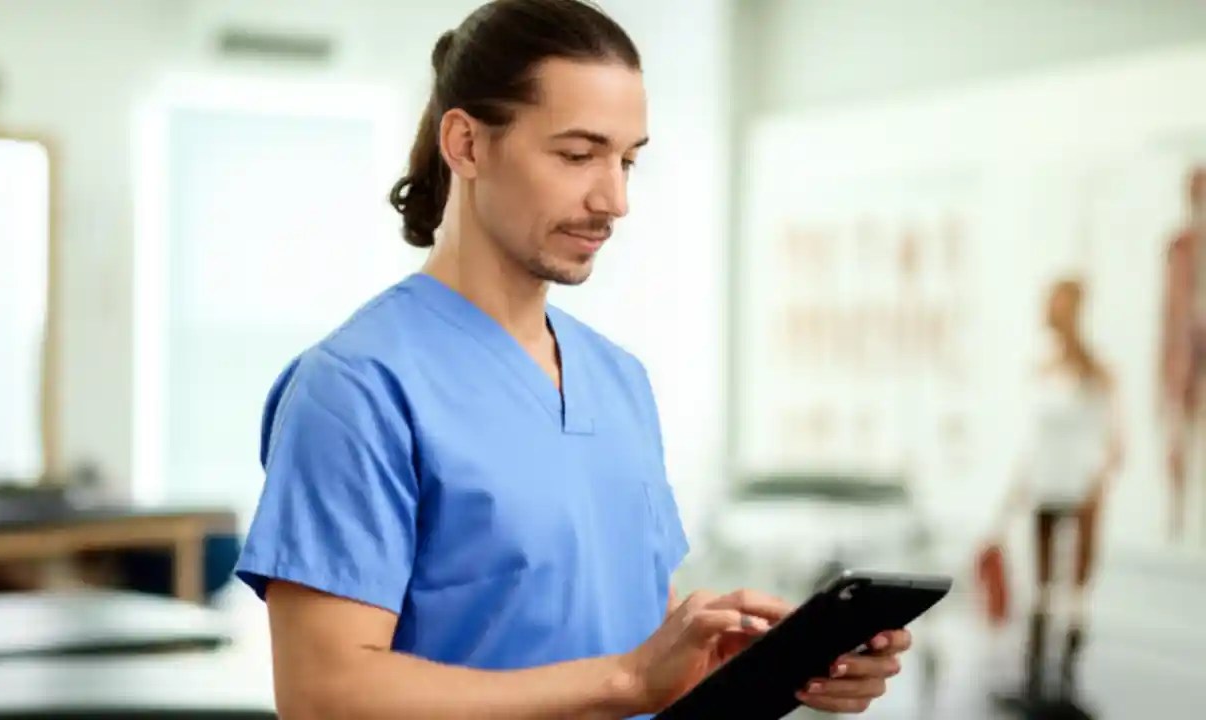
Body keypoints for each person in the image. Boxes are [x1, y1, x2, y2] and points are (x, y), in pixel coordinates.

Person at [234, 1, 912, 717]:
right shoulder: (355, 388)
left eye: (627, 160)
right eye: (577, 155)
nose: (614, 198)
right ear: (465, 145)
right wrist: (622, 681)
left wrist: (745, 666)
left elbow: (619, 639)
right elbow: (323, 695)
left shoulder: (619, 381)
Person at [989, 278, 1123, 704]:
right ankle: (1035, 679)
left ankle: (1065, 680)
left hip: (1080, 485)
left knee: (1075, 586)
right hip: (1046, 483)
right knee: (1042, 584)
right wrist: (1015, 494)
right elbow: (1034, 442)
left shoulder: (1096, 374)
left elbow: (1110, 438)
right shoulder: (1044, 370)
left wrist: (1095, 486)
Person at [1160, 167, 1206, 542]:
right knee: (1180, 434)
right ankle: (1178, 512)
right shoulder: (1180, 246)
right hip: (1185, 353)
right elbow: (1170, 309)